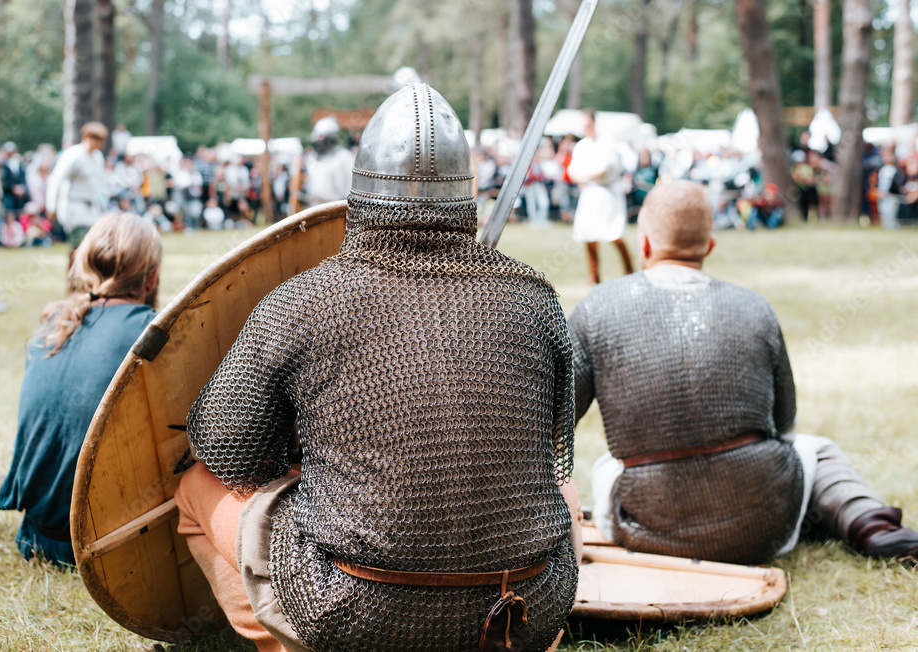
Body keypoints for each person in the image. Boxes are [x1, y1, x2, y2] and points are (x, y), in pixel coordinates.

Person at [176, 84, 576, 652]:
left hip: (356, 613)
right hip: (515, 613)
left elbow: (223, 447)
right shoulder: (534, 300)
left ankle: (287, 645)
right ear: (466, 198)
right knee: (565, 492)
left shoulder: (302, 302)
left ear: (361, 196)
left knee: (196, 487)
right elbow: (554, 446)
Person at [567, 180, 918, 565]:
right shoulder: (756, 308)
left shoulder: (596, 307)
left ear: (645, 244)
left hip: (649, 524)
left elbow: (557, 425)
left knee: (606, 466)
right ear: (710, 247)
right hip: (763, 524)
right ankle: (872, 524)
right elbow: (785, 426)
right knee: (816, 451)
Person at [0, 212, 162, 566]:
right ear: (151, 278)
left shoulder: (54, 324)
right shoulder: (149, 333)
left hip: (38, 535)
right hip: (106, 543)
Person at [567, 109, 634, 284]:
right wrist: (587, 176)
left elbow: (604, 169)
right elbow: (573, 172)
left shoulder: (607, 142)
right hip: (590, 193)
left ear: (593, 122)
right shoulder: (581, 146)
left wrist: (585, 176)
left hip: (608, 193)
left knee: (614, 233)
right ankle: (594, 275)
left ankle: (630, 271)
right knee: (588, 235)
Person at [46, 121, 109, 251]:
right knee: (78, 245)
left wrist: (103, 202)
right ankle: (75, 271)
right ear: (87, 137)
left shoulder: (98, 156)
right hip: (73, 205)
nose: (101, 143)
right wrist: (51, 206)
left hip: (92, 207)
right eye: (98, 139)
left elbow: (100, 183)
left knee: (94, 246)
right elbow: (56, 179)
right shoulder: (73, 154)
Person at [304, 115, 354, 208]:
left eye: (321, 137)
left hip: (336, 209)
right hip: (315, 207)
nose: (319, 141)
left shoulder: (344, 157)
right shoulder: (313, 158)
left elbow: (350, 187)